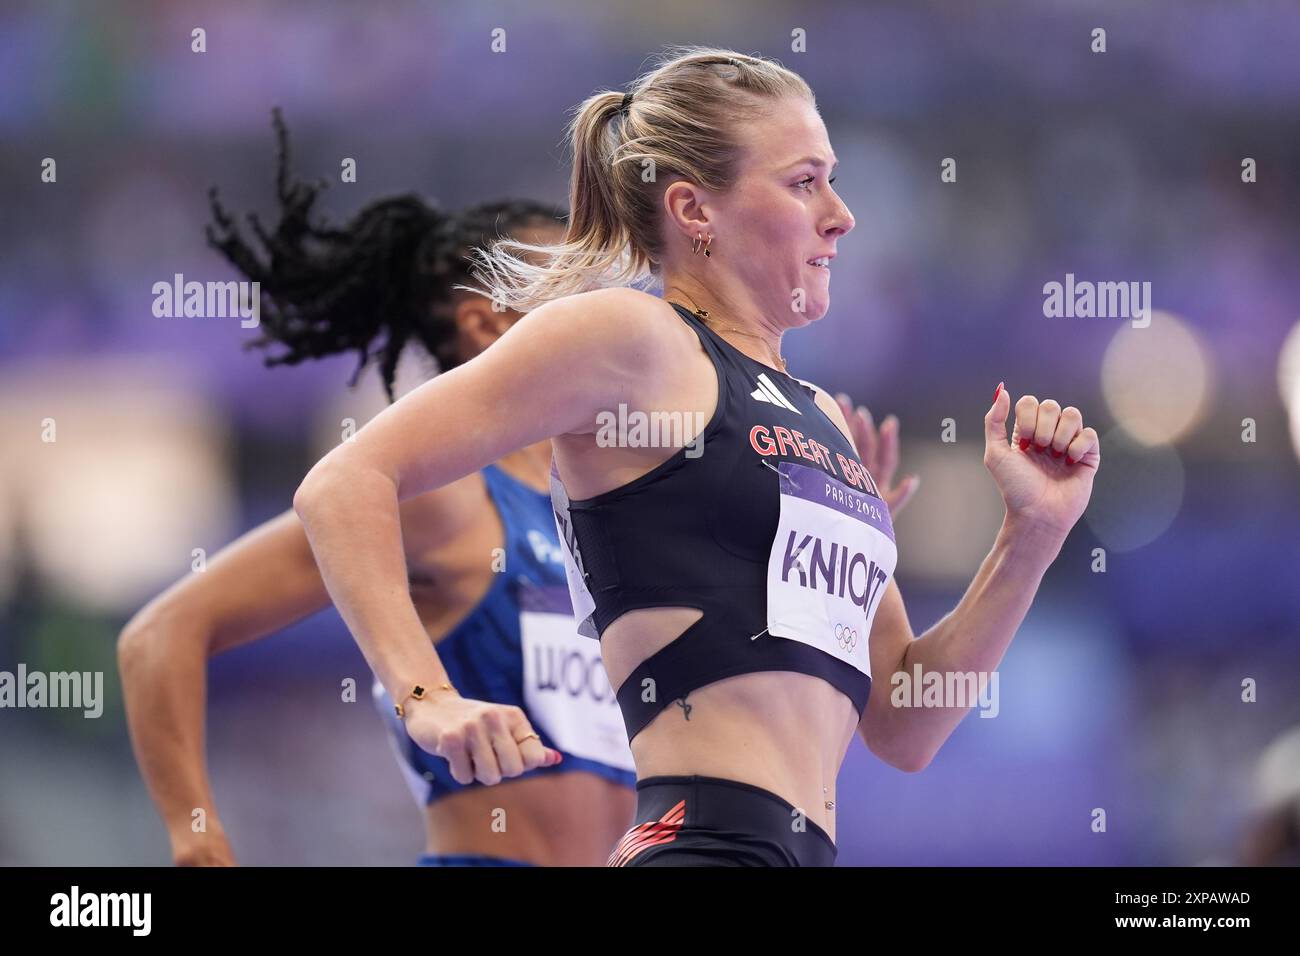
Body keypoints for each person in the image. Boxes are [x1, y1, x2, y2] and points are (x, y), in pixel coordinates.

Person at [291, 47, 1100, 867]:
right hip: (701, 842)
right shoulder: (630, 338)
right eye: (805, 181)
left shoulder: (820, 416)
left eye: (833, 177)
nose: (842, 214)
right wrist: (424, 698)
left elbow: (906, 722)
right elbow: (348, 479)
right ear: (694, 211)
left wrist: (1030, 534)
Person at [120, 112, 644, 867]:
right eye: (577, 286)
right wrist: (194, 829)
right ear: (489, 323)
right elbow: (161, 635)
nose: (610, 312)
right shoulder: (444, 497)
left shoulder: (607, 513)